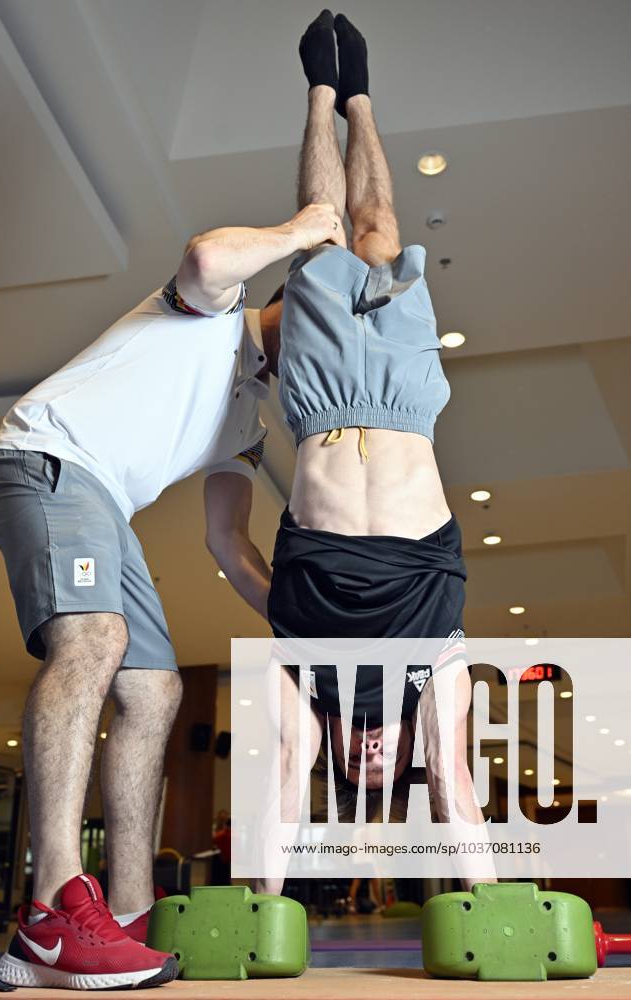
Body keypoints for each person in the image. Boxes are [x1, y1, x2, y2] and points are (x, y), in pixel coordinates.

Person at [0, 202, 343, 989]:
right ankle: (50, 912)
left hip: (104, 502)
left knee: (155, 688)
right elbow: (208, 258)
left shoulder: (247, 420)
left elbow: (230, 545)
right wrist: (302, 230)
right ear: (296, 309)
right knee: (97, 640)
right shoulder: (218, 312)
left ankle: (131, 911)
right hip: (47, 460)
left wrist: (313, 632)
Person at [255, 11, 494, 893]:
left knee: (321, 230)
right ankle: (360, 97)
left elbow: (285, 781)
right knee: (381, 225)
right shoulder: (440, 665)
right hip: (403, 414)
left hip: (319, 407)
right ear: (403, 756)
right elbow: (458, 784)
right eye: (380, 761)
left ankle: (320, 89)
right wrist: (486, 909)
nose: (366, 752)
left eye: (351, 767)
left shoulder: (302, 675)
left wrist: (264, 911)